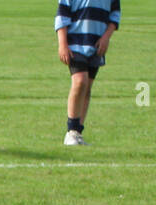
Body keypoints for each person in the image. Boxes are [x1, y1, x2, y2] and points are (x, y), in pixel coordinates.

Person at [55, 0, 119, 146]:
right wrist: (62, 44)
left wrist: (106, 38)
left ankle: (78, 133)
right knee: (80, 81)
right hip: (75, 44)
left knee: (87, 88)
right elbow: (62, 15)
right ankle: (71, 131)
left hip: (96, 44)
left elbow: (115, 14)